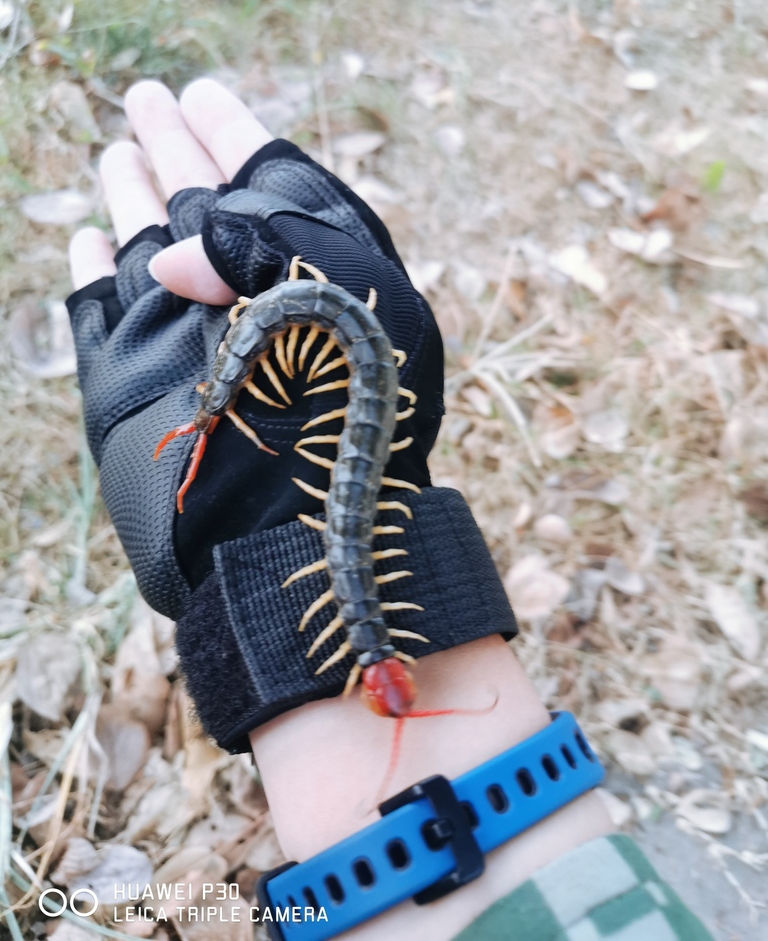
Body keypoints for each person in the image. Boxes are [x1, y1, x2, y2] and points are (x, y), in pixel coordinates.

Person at [67, 78, 714, 940]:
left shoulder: (367, 638)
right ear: (389, 659)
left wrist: (253, 568)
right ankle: (222, 394)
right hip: (318, 337)